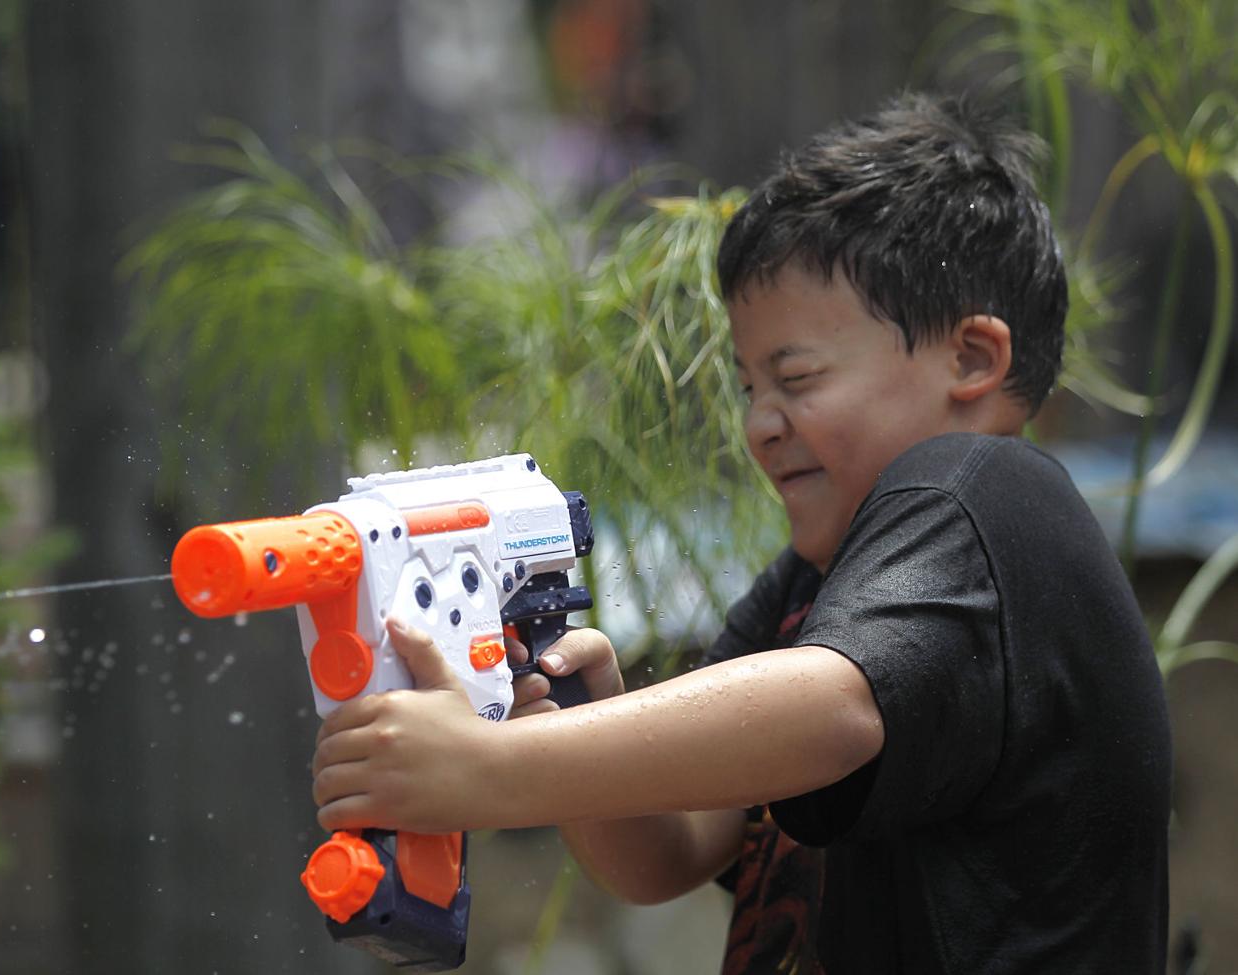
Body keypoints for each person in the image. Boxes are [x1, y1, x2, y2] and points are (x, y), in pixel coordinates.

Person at [309, 92, 1172, 973]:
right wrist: (576, 714)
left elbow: (835, 711)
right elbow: (669, 853)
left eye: (795, 377)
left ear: (972, 360)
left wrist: (492, 763)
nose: (760, 422)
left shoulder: (985, 488)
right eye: (749, 386)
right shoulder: (815, 584)